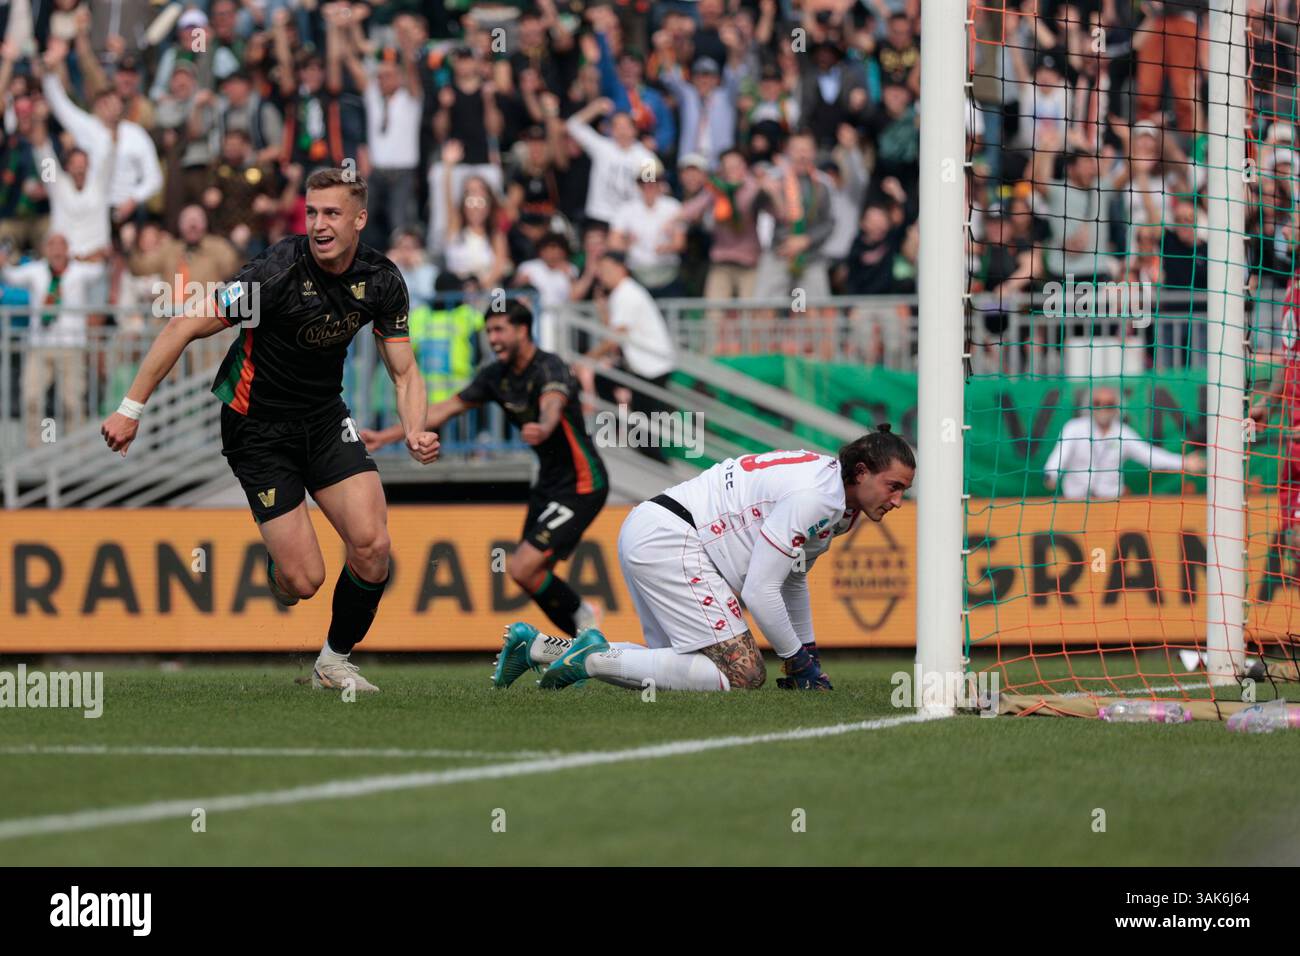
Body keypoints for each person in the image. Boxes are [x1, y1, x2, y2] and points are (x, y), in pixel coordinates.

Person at [100, 169, 439, 694]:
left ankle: (333, 662)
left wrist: (414, 429)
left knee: (372, 546)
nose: (319, 225)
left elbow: (404, 370)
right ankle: (280, 566)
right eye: (312, 213)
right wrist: (130, 409)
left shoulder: (382, 279)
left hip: (325, 418)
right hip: (256, 427)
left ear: (359, 219)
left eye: (331, 214)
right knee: (303, 582)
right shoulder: (275, 272)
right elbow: (183, 324)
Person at [493, 429, 915, 693]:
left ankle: (540, 648)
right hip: (673, 539)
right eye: (893, 487)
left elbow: (792, 578)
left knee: (677, 667)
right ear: (860, 472)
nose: (897, 500)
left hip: (656, 527)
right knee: (743, 673)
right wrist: (797, 660)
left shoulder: (837, 502)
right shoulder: (818, 498)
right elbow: (761, 591)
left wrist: (806, 653)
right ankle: (589, 658)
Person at [361, 299, 607, 641]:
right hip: (548, 484)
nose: (492, 339)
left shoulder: (549, 367)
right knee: (527, 575)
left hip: (583, 483)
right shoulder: (496, 376)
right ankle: (585, 637)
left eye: (499, 329)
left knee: (523, 565)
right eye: (488, 331)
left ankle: (585, 626)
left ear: (522, 330)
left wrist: (545, 426)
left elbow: (553, 402)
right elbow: (446, 409)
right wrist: (388, 435)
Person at [1044, 386, 1205, 499]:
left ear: (1116, 407)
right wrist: (1051, 475)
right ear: (1090, 406)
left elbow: (1150, 456)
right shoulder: (1074, 428)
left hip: (1111, 502)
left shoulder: (1122, 432)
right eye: (1097, 404)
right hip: (1076, 502)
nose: (1102, 409)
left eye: (1108, 404)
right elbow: (1059, 457)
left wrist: (1185, 462)